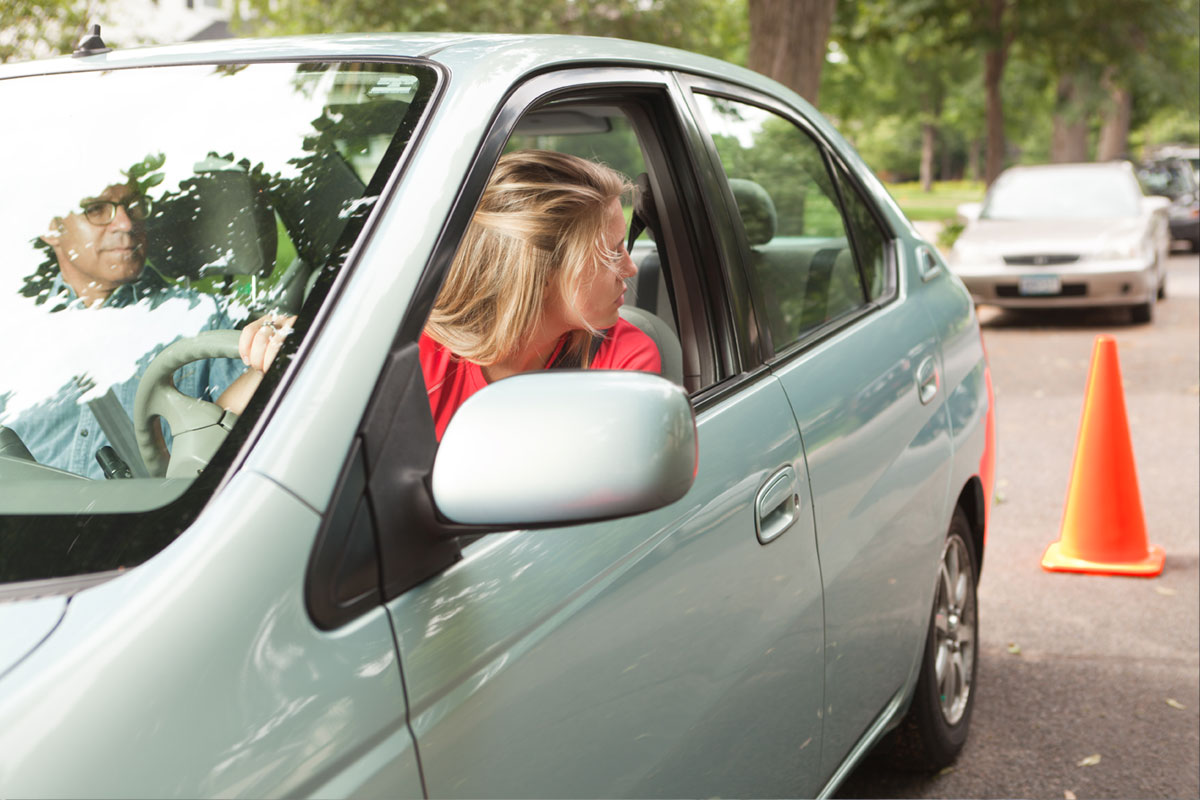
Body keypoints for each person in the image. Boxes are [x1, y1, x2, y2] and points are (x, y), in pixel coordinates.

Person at [6, 181, 276, 478]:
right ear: (51, 228)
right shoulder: (16, 332)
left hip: (152, 521)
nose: (126, 223)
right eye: (96, 209)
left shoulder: (198, 318)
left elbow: (240, 428)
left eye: (133, 206)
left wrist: (271, 357)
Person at [418, 149, 661, 440]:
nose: (630, 268)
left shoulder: (624, 358)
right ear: (540, 275)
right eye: (610, 253)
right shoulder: (418, 358)